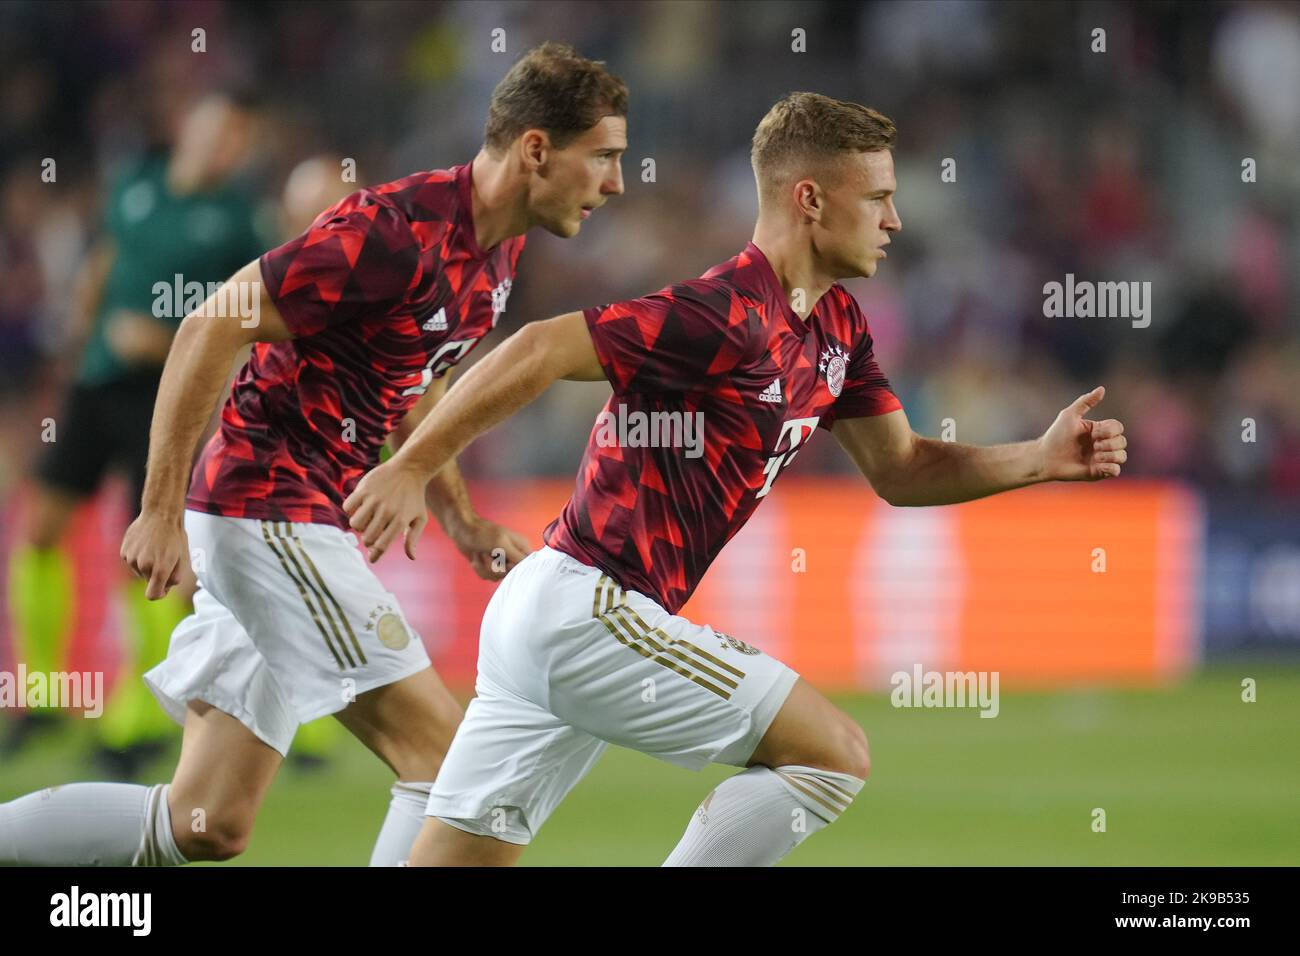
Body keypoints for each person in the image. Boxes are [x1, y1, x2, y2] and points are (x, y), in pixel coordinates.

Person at [343, 92, 1130, 866]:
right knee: (832, 755)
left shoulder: (838, 328)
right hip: (588, 609)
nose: (895, 220)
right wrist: (411, 466)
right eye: (880, 199)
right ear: (811, 199)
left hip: (551, 615)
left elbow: (902, 468)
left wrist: (1040, 458)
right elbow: (538, 348)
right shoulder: (728, 313)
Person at [0, 42, 628, 867]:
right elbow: (211, 321)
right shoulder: (391, 232)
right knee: (454, 768)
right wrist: (157, 509)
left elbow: (416, 381)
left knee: (205, 822)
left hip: (285, 517)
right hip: (270, 514)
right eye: (604, 158)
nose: (617, 182)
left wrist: (459, 518)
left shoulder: (496, 251)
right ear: (537, 150)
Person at [3, 93, 265, 778]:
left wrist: (172, 341)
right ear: (190, 128)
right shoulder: (135, 187)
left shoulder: (239, 221)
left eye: (237, 140)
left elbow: (251, 314)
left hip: (164, 394)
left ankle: (140, 713)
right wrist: (77, 338)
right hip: (94, 384)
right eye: (218, 132)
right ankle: (41, 694)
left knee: (144, 549)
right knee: (40, 527)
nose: (224, 150)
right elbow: (103, 265)